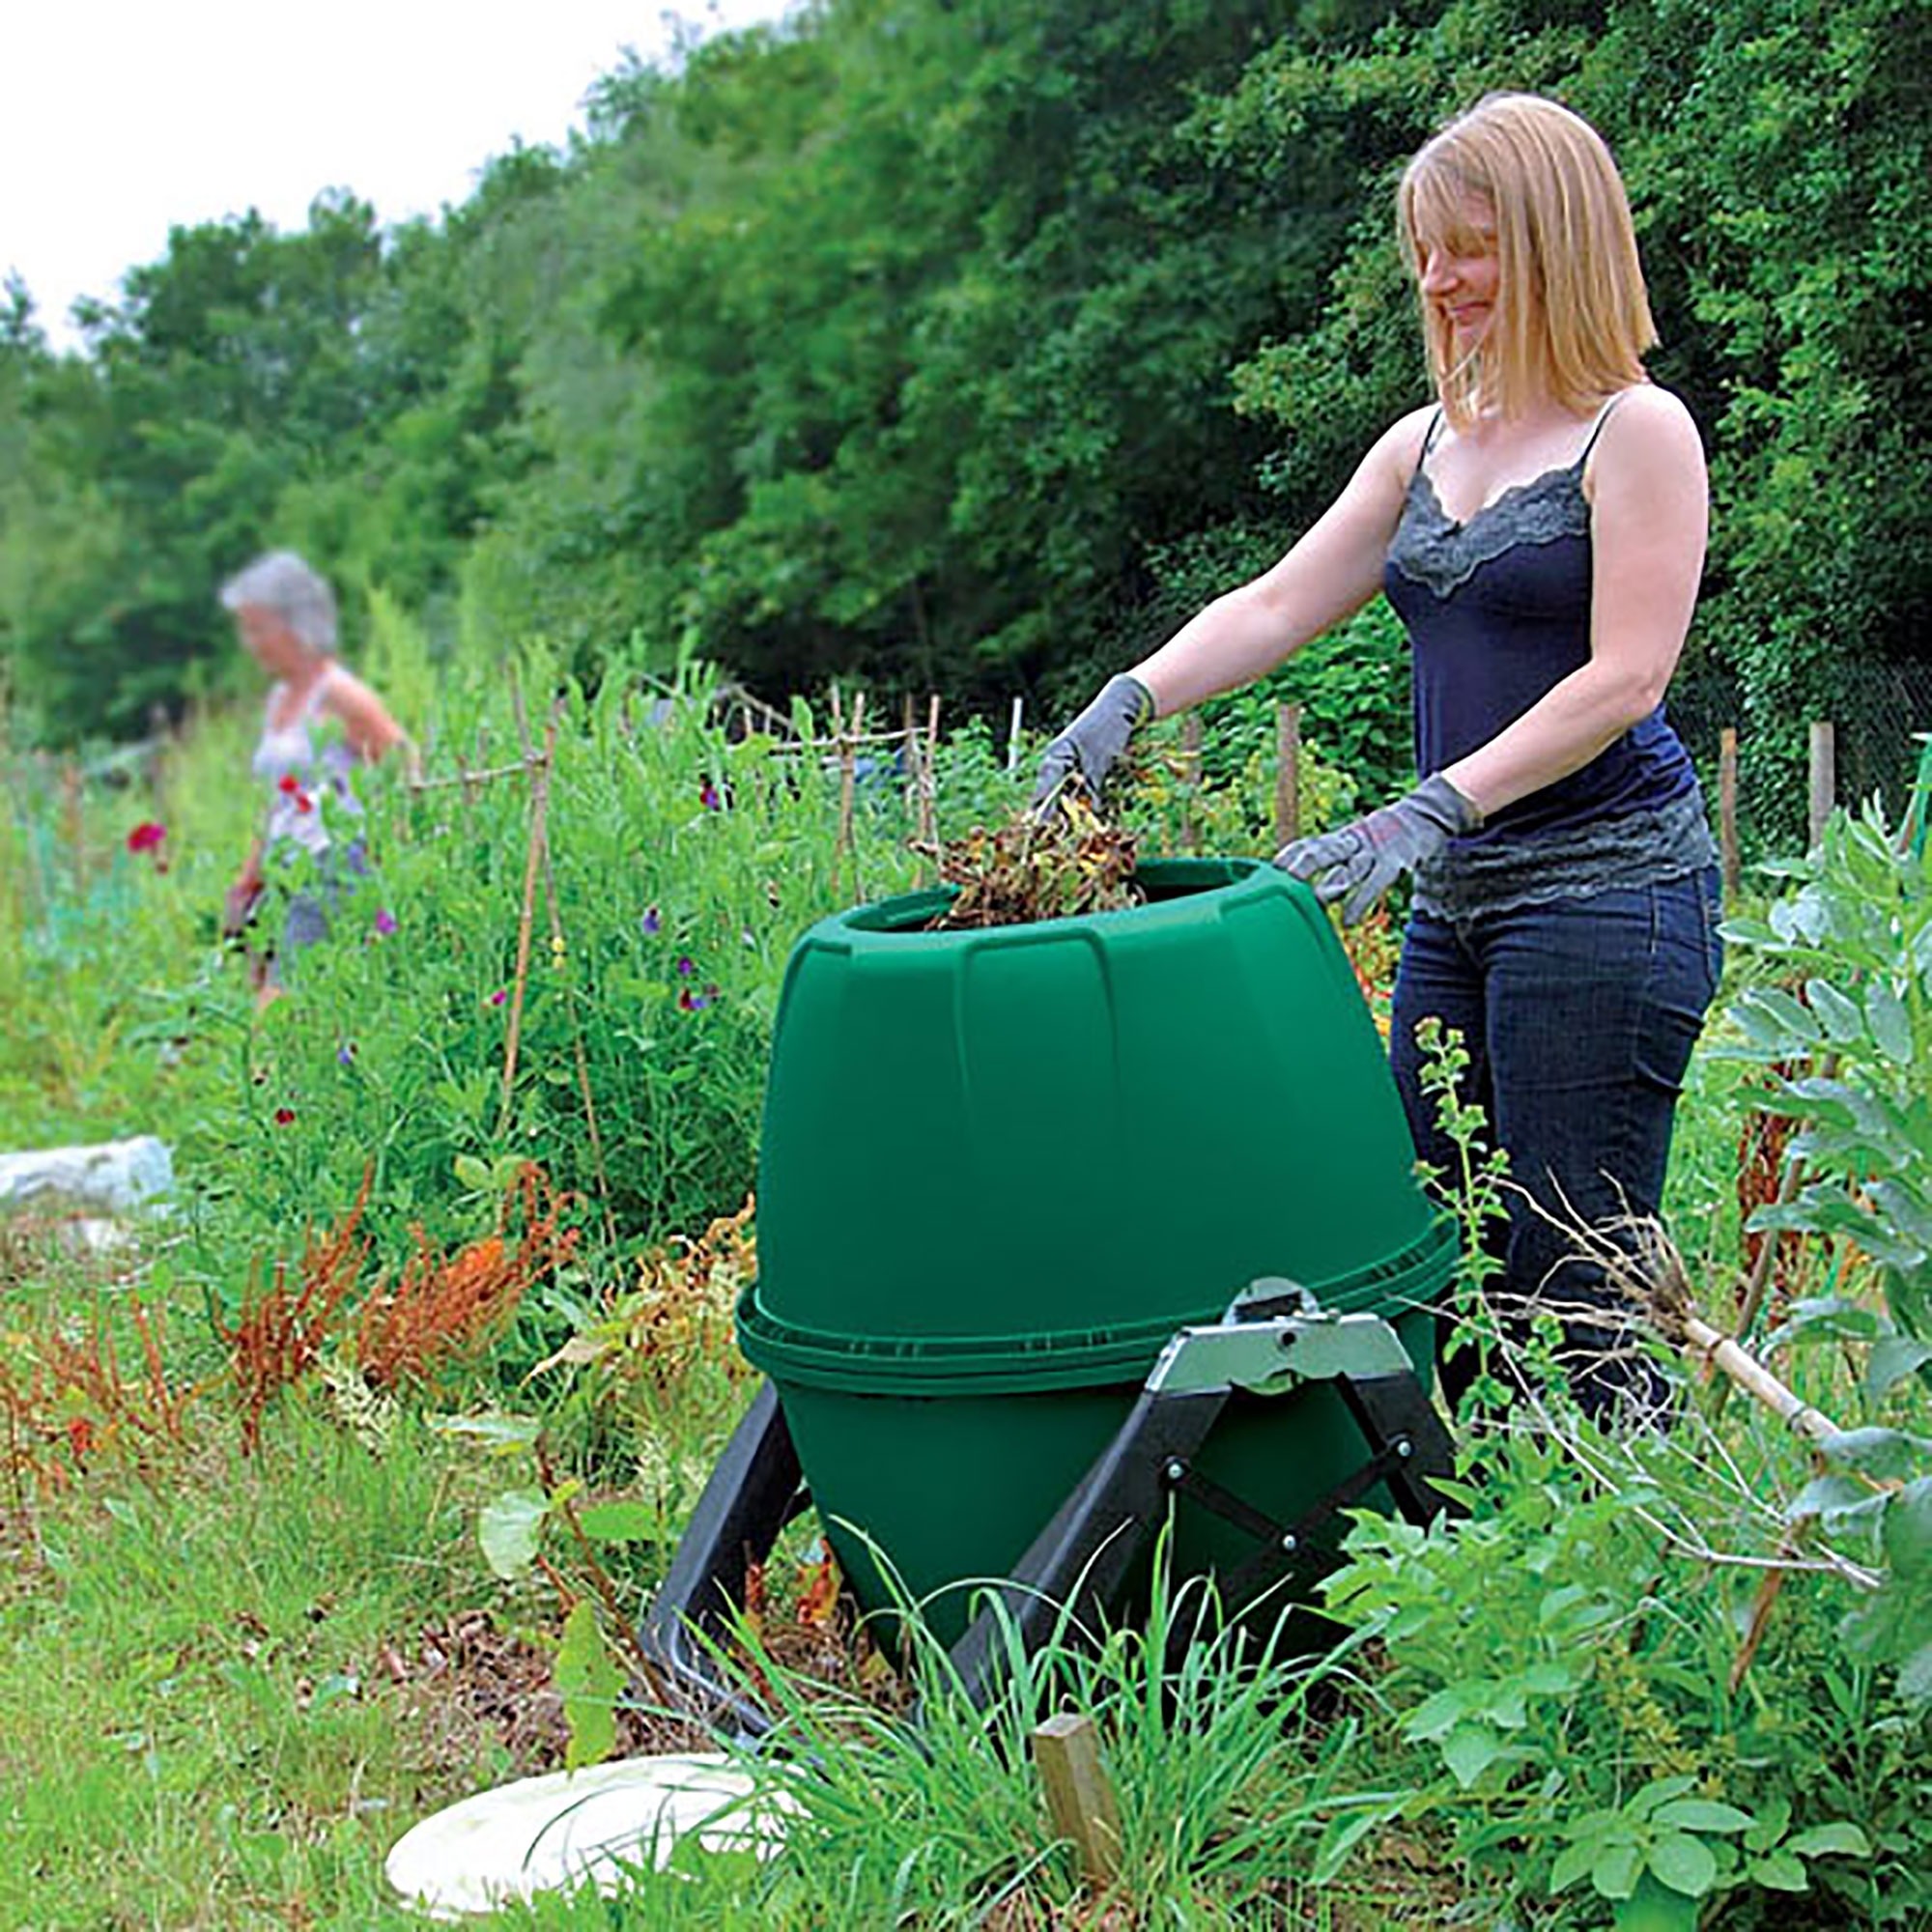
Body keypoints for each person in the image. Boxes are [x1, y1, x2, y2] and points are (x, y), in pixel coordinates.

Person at [1034, 93, 1721, 1421]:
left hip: (1607, 897)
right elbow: (1280, 604)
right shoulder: (1423, 444)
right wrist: (1128, 697)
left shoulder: (1635, 434)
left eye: (1468, 247)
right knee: (1424, 1246)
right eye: (1425, 248)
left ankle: (1640, 1578)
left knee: (1571, 1268)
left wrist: (1425, 811)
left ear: (1556, 244)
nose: (1437, 278)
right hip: (1459, 904)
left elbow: (1626, 678)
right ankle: (1474, 1561)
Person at [218, 551, 411, 1004]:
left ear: (295, 623)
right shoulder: (280, 699)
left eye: (259, 628)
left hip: (332, 860)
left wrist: (384, 851)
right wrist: (249, 878)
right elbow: (277, 802)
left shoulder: (341, 695)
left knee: (279, 1001)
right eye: (246, 629)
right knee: (269, 989)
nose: (252, 643)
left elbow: (404, 768)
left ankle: (267, 1076)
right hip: (285, 865)